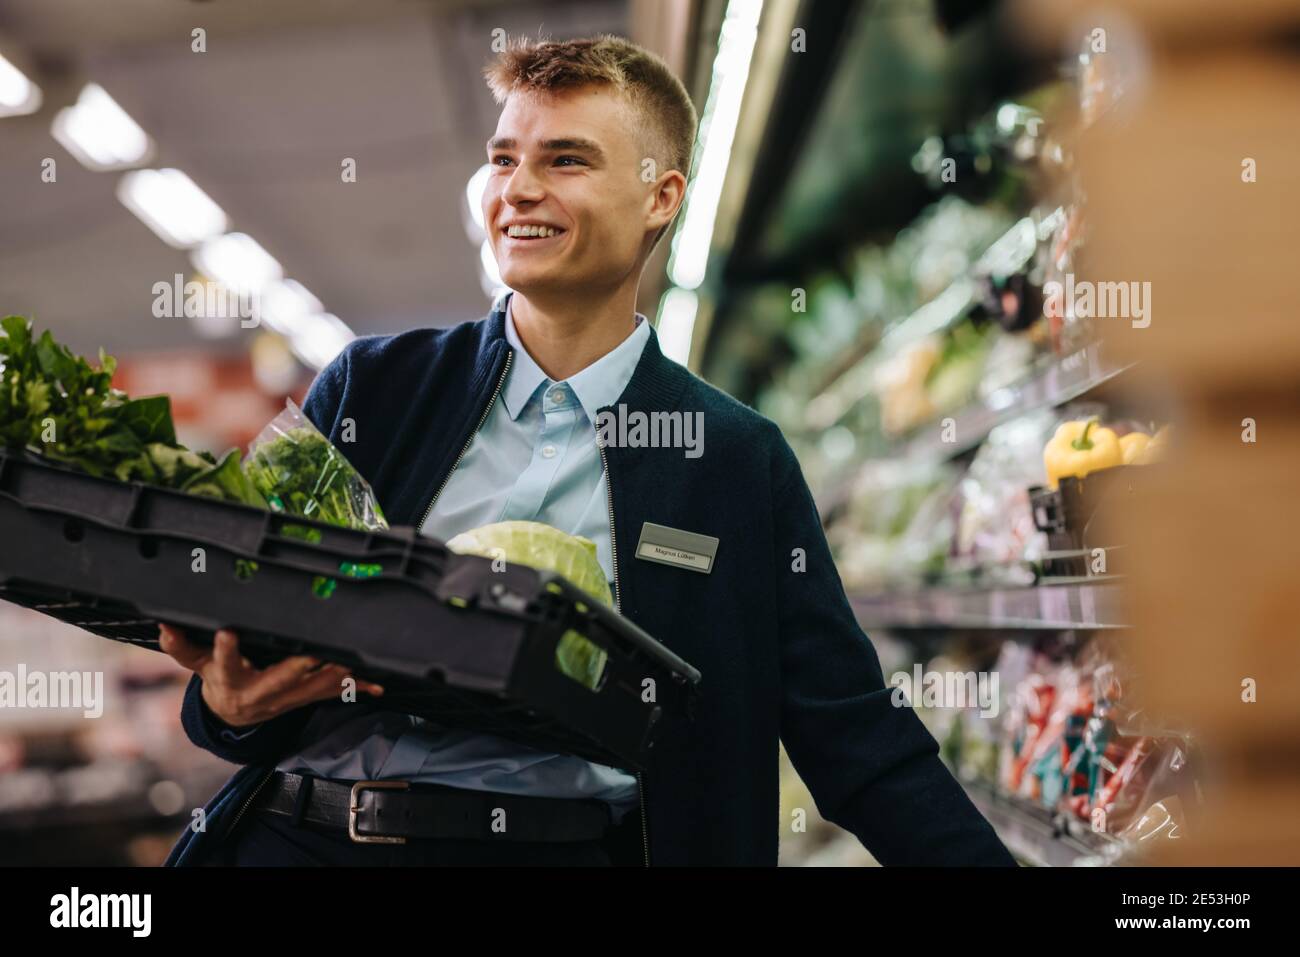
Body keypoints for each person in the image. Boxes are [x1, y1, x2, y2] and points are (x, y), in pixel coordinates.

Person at [161, 34, 1016, 867]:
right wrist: (228, 704)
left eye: (565, 160)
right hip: (309, 839)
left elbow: (854, 736)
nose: (518, 190)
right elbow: (245, 655)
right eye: (503, 160)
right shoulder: (375, 388)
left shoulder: (734, 462)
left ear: (661, 195)